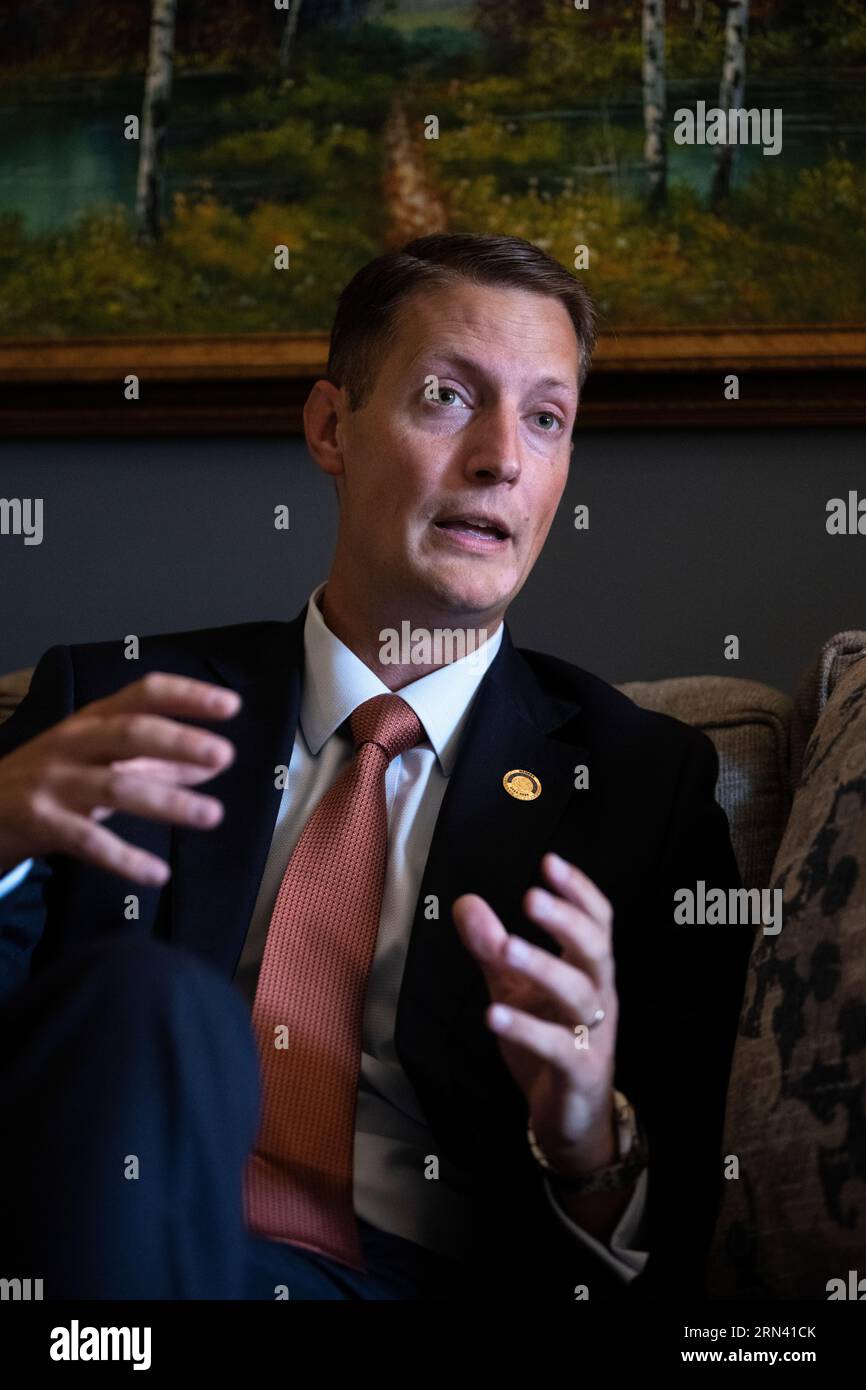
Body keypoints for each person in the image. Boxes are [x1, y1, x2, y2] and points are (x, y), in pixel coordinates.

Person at [0, 233, 753, 1301]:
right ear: (329, 426)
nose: (502, 457)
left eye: (545, 418)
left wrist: (586, 1132)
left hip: (413, 1286)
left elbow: (690, 1229)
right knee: (151, 1000)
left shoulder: (638, 783)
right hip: (111, 1247)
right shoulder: (110, 703)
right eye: (448, 397)